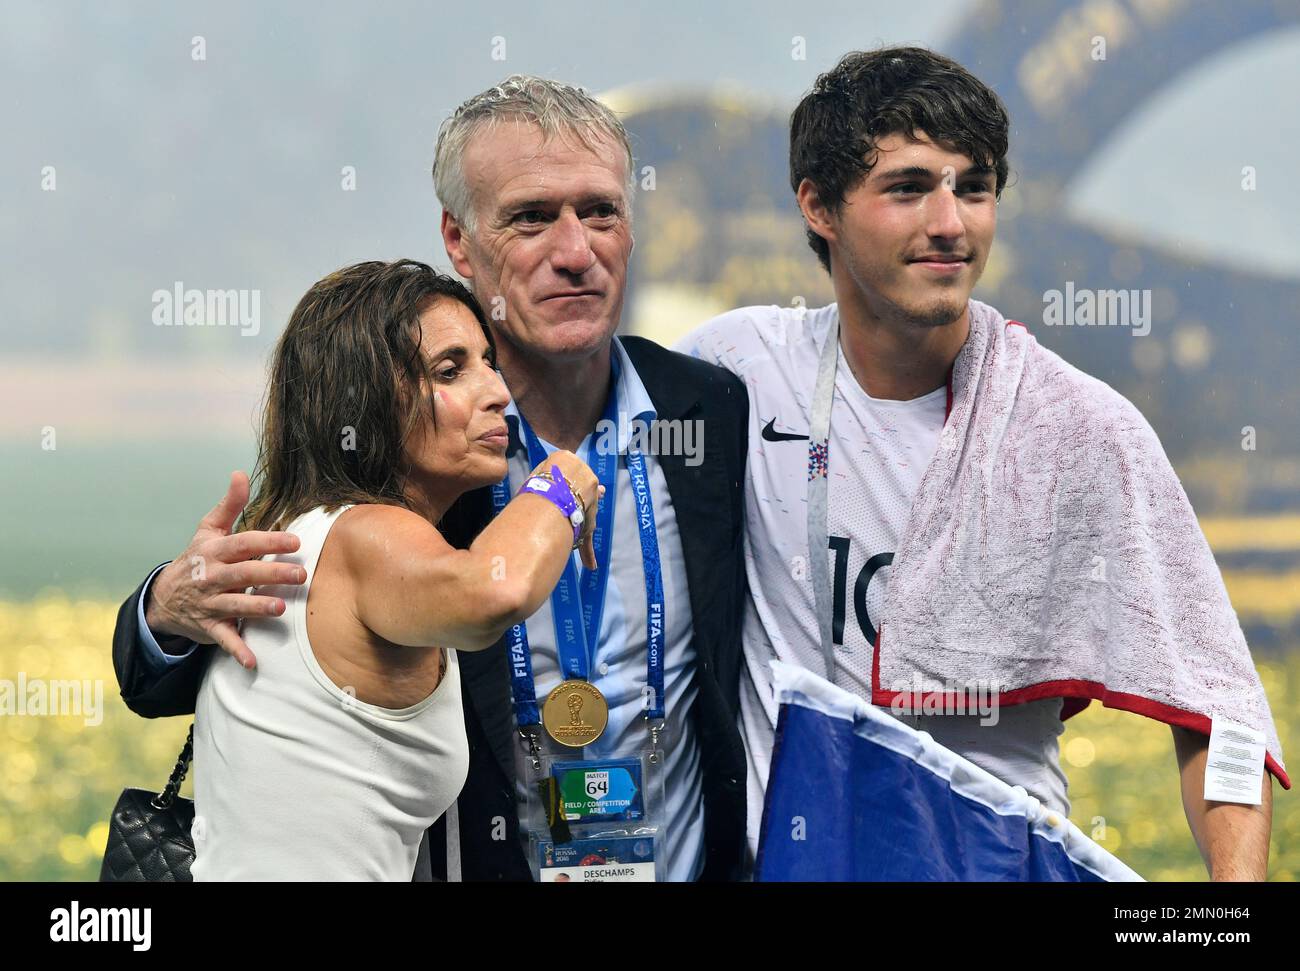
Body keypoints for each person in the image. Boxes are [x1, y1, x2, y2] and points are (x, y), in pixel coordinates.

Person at [111, 77, 749, 882]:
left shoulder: (710, 409)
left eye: (600, 211)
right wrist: (165, 609)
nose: (575, 250)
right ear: (459, 238)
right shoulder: (409, 454)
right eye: (531, 216)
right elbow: (237, 653)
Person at [678, 46, 1287, 880]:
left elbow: (1225, 711)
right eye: (908, 187)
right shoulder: (735, 369)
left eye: (974, 187)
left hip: (1000, 863)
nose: (950, 222)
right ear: (817, 206)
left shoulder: (1079, 428)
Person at [186, 259, 600, 879]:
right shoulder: (366, 535)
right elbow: (499, 589)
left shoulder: (301, 534)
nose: (498, 392)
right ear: (367, 398)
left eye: (489, 363)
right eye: (451, 370)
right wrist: (561, 479)